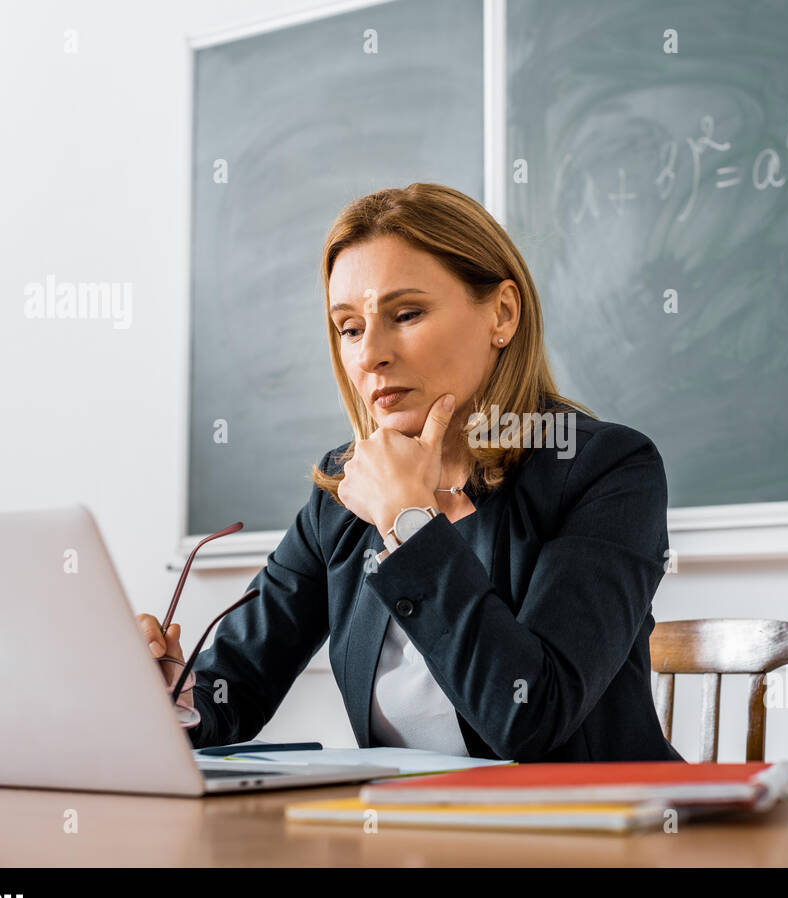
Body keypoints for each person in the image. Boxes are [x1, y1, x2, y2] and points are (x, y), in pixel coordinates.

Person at [137, 182, 683, 762]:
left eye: (407, 314)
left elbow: (530, 718)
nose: (370, 353)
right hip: (410, 840)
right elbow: (235, 689)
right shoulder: (342, 493)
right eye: (348, 327)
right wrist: (173, 696)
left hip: (587, 838)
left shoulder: (605, 470)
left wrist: (409, 521)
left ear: (502, 314)